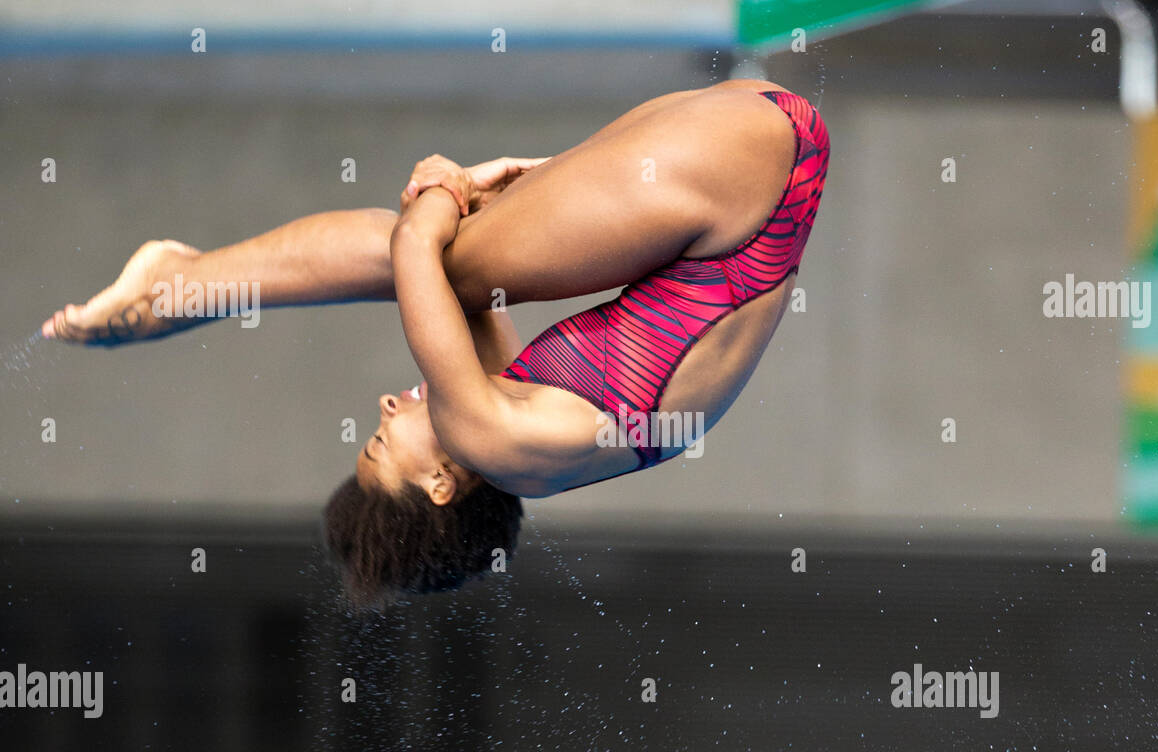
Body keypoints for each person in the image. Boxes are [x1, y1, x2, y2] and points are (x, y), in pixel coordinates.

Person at [40, 79, 830, 606]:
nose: (384, 406)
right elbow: (412, 247)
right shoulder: (494, 434)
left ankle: (188, 284)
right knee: (442, 259)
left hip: (760, 161)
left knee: (464, 269)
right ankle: (180, 285)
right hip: (737, 173)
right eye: (384, 443)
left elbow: (471, 305)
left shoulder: (527, 450)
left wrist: (500, 202)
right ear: (442, 487)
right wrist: (446, 183)